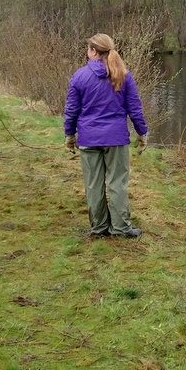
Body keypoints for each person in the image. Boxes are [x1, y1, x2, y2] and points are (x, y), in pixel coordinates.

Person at [63, 33, 149, 238]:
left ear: (93, 51)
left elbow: (71, 110)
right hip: (116, 139)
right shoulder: (124, 75)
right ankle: (120, 227)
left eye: (88, 49)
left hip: (88, 138)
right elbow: (135, 108)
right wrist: (142, 132)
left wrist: (69, 135)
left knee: (93, 184)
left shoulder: (80, 76)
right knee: (117, 183)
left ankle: (99, 227)